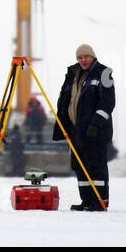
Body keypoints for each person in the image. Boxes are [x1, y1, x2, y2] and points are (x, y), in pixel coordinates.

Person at [53, 43, 115, 211]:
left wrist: (96, 124)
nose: (83, 60)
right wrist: (63, 121)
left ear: (92, 56)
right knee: (80, 166)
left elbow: (108, 102)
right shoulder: (73, 74)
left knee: (96, 166)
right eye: (79, 57)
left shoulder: (104, 73)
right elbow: (65, 99)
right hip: (76, 130)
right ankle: (87, 201)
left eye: (86, 56)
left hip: (96, 131)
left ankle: (100, 202)